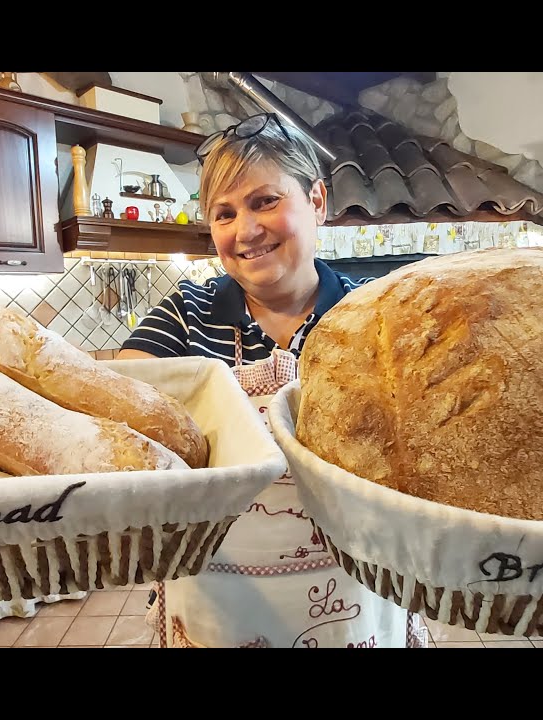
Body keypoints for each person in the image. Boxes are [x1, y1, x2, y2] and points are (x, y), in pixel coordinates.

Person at [118, 113, 424, 648]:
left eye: (265, 201)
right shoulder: (186, 314)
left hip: (351, 604)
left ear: (318, 202)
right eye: (224, 213)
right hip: (216, 607)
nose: (246, 231)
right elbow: (119, 409)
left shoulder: (374, 316)